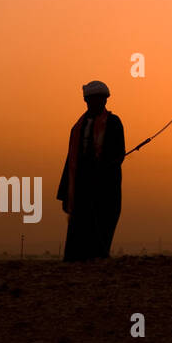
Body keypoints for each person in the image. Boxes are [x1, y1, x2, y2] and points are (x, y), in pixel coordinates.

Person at [57, 80, 125, 260]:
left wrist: (102, 169)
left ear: (105, 101)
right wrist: (65, 192)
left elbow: (119, 154)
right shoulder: (77, 128)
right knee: (78, 226)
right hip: (81, 184)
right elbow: (70, 160)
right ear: (87, 101)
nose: (96, 103)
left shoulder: (113, 123)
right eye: (92, 99)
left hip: (105, 184)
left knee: (103, 223)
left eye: (100, 99)